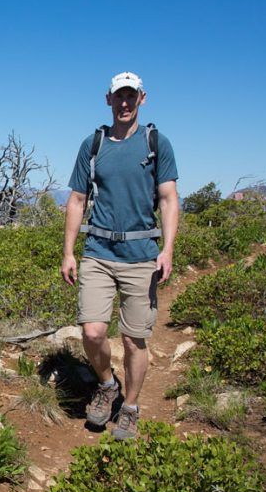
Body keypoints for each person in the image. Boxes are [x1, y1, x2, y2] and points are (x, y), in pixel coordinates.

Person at [60, 72, 180, 440]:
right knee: (93, 331)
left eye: (131, 96)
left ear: (142, 99)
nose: (124, 103)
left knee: (133, 339)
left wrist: (168, 249)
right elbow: (77, 200)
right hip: (98, 250)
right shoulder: (93, 145)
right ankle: (107, 384)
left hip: (141, 254)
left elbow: (168, 199)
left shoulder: (156, 143)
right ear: (108, 100)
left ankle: (129, 407)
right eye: (119, 97)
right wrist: (68, 251)